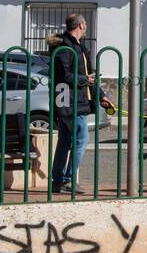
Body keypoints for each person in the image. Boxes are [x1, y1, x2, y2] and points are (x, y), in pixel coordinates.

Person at [47, 13, 112, 193]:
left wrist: (100, 95)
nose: (86, 26)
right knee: (81, 139)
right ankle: (67, 179)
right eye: (85, 23)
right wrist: (84, 80)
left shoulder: (78, 47)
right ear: (81, 25)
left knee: (65, 141)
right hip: (70, 101)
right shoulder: (64, 48)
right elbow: (63, 76)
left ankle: (58, 180)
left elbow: (88, 75)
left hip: (75, 100)